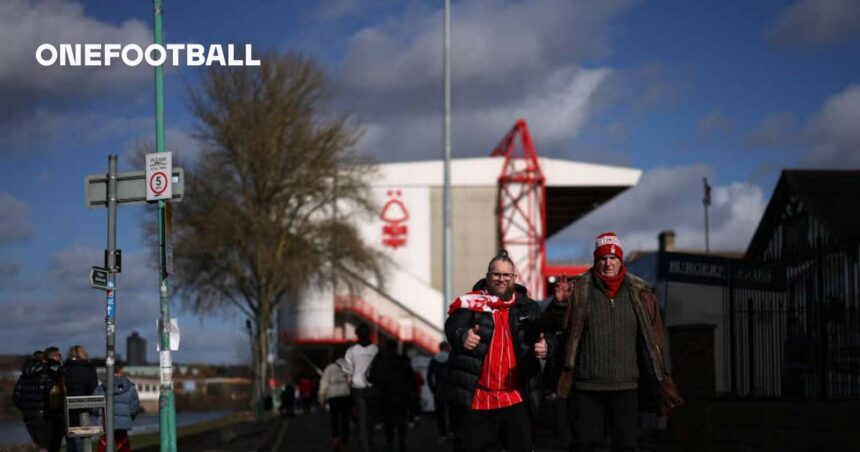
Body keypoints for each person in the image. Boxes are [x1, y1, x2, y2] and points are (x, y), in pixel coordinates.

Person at [541, 232, 684, 452]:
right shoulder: (578, 288)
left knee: (627, 446)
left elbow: (655, 339)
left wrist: (662, 378)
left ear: (620, 260)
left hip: (626, 389)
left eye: (613, 257)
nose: (608, 263)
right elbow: (554, 328)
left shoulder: (640, 291)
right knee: (585, 446)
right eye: (602, 258)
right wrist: (559, 305)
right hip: (586, 389)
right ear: (595, 260)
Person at [438, 250, 547, 452]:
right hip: (479, 402)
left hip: (515, 400)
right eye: (496, 274)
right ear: (487, 276)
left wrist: (546, 346)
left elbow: (544, 332)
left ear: (514, 278)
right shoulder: (470, 303)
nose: (501, 279)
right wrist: (463, 335)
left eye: (507, 275)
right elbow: (453, 325)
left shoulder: (528, 307)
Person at [367, 340, 414, 452]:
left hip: (386, 394)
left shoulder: (381, 361)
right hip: (402, 394)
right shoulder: (404, 359)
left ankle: (389, 443)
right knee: (401, 419)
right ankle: (402, 442)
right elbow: (410, 378)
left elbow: (374, 377)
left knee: (388, 421)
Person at [13, 350, 62, 452]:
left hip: (29, 417)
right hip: (45, 416)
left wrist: (27, 408)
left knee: (41, 446)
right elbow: (52, 395)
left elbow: (16, 398)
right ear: (44, 360)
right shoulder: (48, 373)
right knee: (49, 447)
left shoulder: (23, 376)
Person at [342, 323, 379, 452]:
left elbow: (348, 371)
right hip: (373, 388)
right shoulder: (376, 349)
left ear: (357, 334)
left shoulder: (351, 351)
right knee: (372, 418)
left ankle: (364, 446)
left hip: (357, 387)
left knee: (360, 419)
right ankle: (372, 443)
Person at [94, 361, 140, 452]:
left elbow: (94, 405)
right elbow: (134, 406)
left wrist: (99, 415)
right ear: (120, 370)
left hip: (105, 422)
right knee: (123, 446)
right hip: (122, 424)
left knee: (103, 446)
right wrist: (128, 417)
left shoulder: (101, 388)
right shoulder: (129, 387)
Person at [63, 345, 99, 452]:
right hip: (84, 407)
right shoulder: (89, 368)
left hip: (67, 408)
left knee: (71, 440)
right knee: (83, 439)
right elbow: (94, 388)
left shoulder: (65, 368)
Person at [318, 356, 352, 451]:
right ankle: (345, 438)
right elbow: (351, 381)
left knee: (334, 418)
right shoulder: (348, 367)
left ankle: (336, 438)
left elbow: (324, 383)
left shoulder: (329, 368)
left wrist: (321, 398)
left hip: (333, 395)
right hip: (345, 394)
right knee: (345, 417)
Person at [426, 341, 452, 444]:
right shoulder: (451, 358)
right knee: (452, 412)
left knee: (440, 413)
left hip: (438, 388)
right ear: (446, 348)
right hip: (450, 388)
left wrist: (433, 388)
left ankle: (442, 435)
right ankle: (452, 431)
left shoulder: (434, 359)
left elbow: (429, 376)